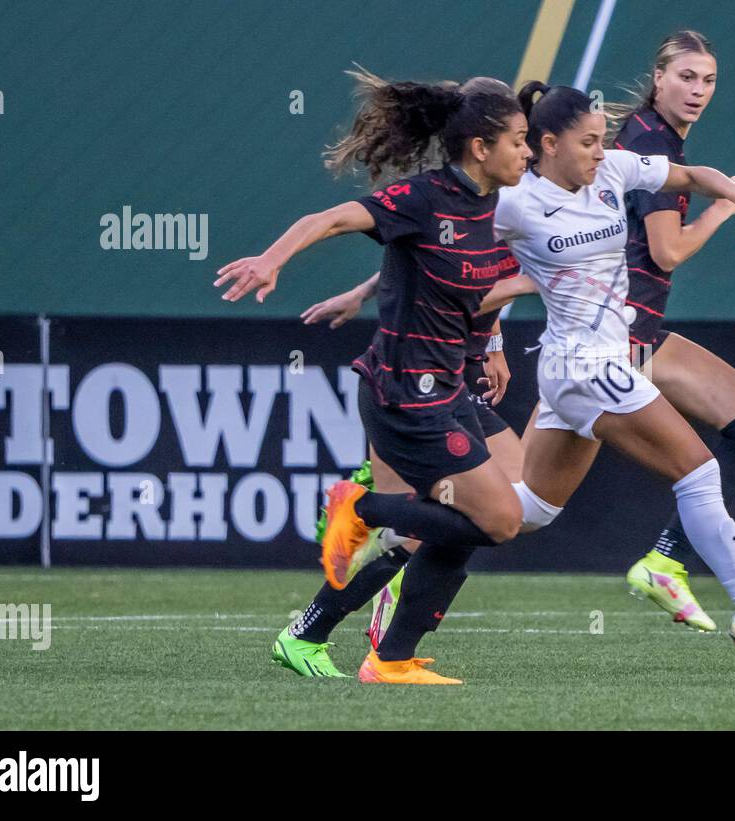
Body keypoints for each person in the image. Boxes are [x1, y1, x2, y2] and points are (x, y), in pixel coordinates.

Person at [214, 69, 532, 683]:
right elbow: (331, 219)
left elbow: (466, 276)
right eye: (518, 140)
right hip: (403, 391)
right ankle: (360, 507)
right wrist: (271, 259)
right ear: (480, 148)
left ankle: (357, 646)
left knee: (460, 521)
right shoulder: (424, 198)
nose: (527, 150)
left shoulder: (500, 202)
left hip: (450, 384)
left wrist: (492, 335)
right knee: (496, 519)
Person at [490, 81, 735, 655]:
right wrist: (480, 336)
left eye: (603, 140)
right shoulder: (516, 203)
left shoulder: (612, 172)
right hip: (585, 366)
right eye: (588, 143)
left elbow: (691, 175)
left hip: (591, 366)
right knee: (699, 472)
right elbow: (451, 258)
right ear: (548, 143)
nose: (601, 152)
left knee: (524, 513)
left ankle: (396, 522)